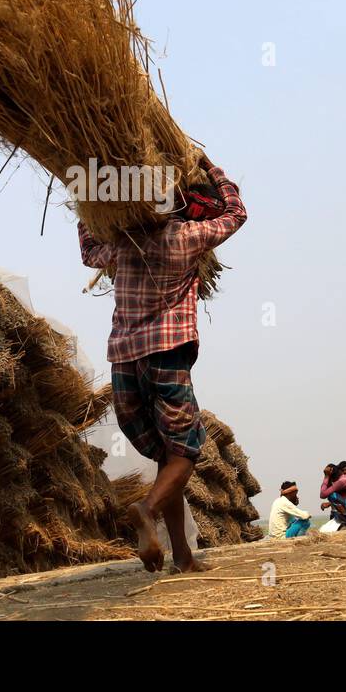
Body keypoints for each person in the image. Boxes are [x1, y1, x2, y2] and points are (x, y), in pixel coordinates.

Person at [77, 151, 247, 573]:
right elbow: (236, 212)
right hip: (167, 353)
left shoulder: (121, 243)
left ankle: (183, 557)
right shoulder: (187, 236)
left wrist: (86, 202)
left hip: (123, 362)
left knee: (165, 456)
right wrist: (210, 168)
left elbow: (87, 249)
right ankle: (147, 510)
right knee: (187, 451)